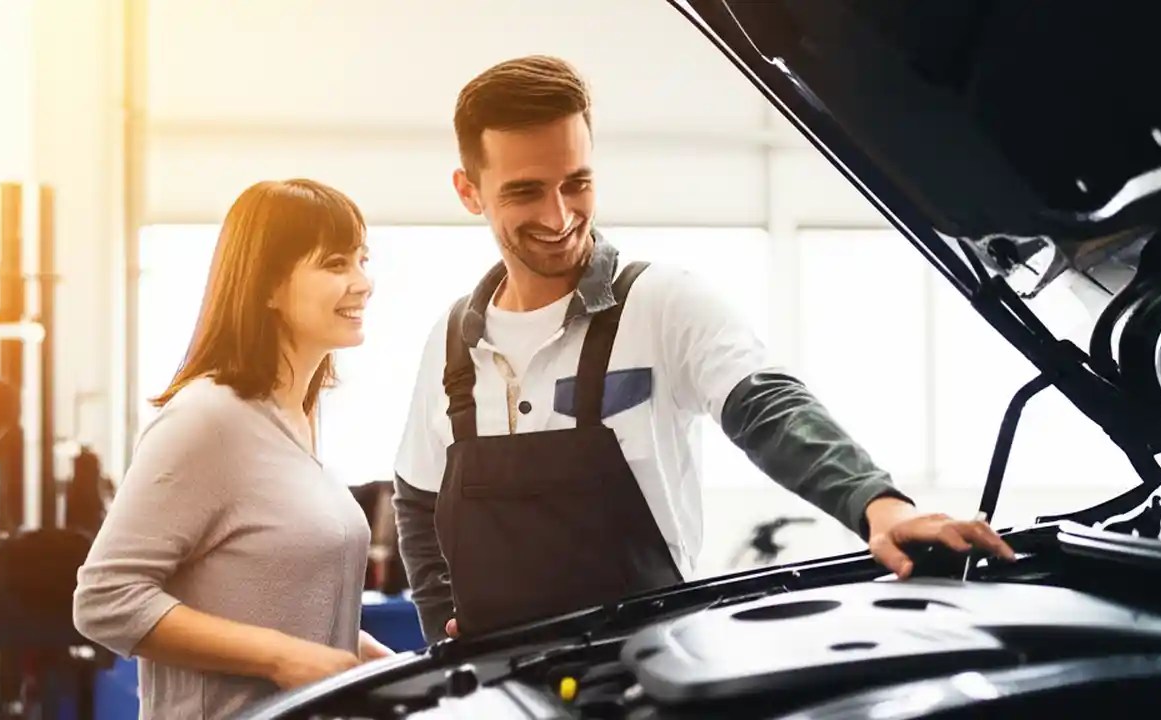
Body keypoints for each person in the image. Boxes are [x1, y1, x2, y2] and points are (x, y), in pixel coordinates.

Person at [392, 55, 1017, 644]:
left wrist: (876, 505)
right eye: (525, 192)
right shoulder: (453, 344)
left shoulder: (660, 302)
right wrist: (443, 628)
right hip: (501, 691)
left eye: (576, 183)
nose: (559, 216)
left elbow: (766, 405)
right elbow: (418, 500)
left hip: (648, 673)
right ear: (469, 191)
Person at [73, 179, 393, 720]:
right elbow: (106, 598)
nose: (364, 283)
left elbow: (277, 603)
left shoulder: (298, 418)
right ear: (267, 285)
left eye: (363, 260)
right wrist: (283, 658)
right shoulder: (207, 419)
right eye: (336, 264)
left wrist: (369, 660)